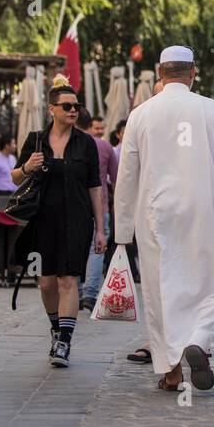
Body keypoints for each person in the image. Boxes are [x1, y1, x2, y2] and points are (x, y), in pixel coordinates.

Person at [114, 46, 214, 392]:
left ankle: (171, 372)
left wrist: (122, 230)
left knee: (160, 289)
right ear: (193, 73)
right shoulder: (212, 110)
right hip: (205, 210)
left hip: (155, 213)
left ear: (159, 73)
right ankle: (199, 341)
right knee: (211, 283)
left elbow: (126, 176)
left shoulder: (140, 115)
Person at [11, 76, 106, 369]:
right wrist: (28, 166)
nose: (73, 111)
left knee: (68, 279)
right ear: (52, 108)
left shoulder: (86, 143)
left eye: (76, 106)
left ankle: (64, 341)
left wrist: (101, 229)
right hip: (43, 221)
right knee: (45, 283)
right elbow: (15, 177)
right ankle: (56, 328)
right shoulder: (36, 140)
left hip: (78, 220)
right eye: (66, 106)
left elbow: (95, 186)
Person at [79, 109, 120, 314]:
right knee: (97, 249)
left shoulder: (70, 143)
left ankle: (76, 292)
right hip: (101, 204)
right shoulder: (104, 147)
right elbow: (116, 176)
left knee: (76, 247)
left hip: (76, 206)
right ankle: (90, 294)